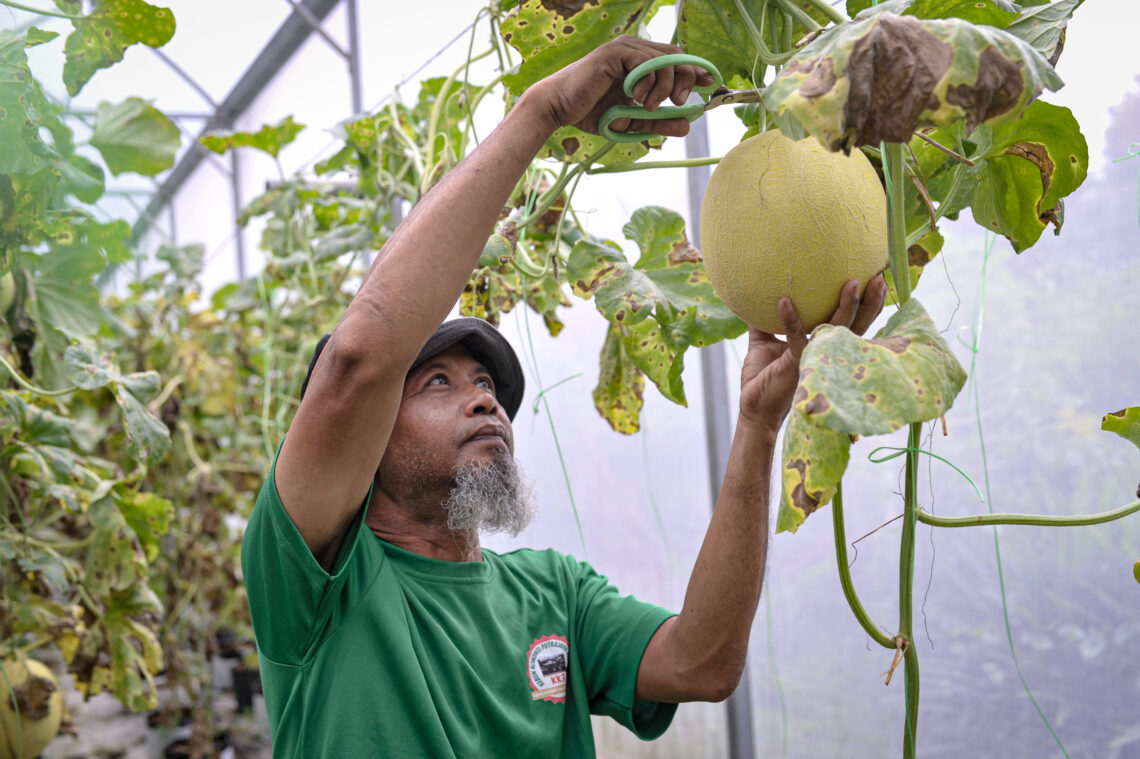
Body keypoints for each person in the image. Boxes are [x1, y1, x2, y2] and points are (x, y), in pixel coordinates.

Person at [240, 35, 887, 758]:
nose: (484, 401)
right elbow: (358, 360)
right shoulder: (315, 583)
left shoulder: (555, 591)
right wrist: (542, 110)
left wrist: (759, 425)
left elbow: (700, 663)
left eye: (487, 384)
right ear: (366, 440)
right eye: (438, 382)